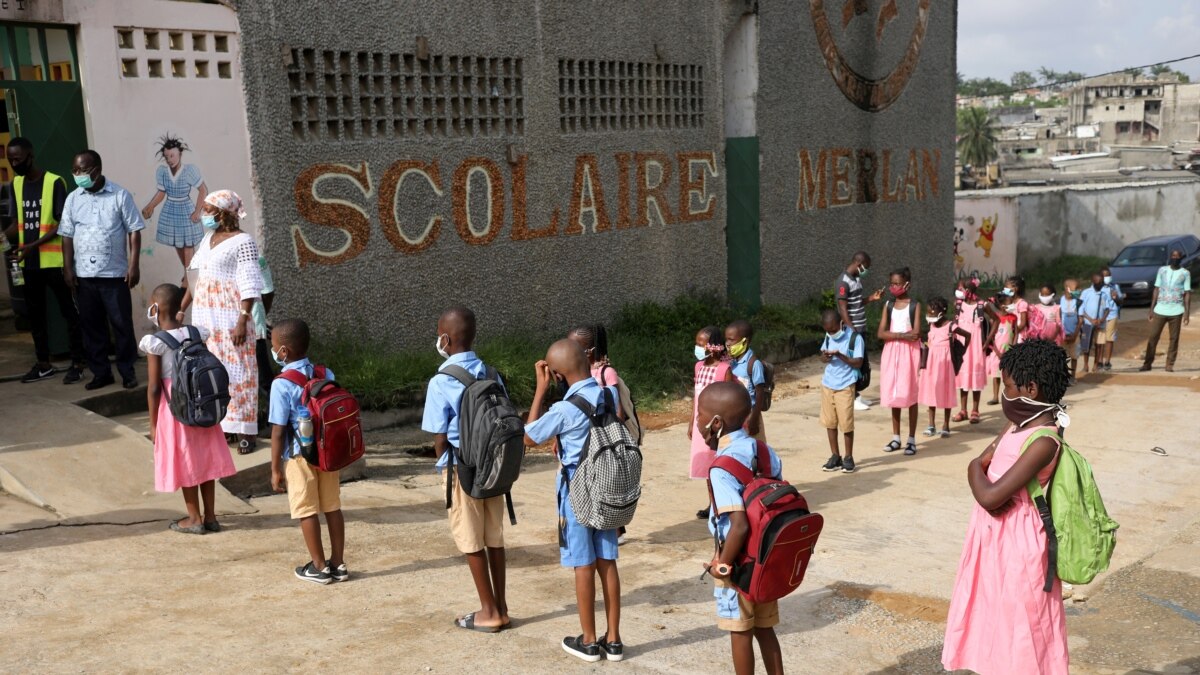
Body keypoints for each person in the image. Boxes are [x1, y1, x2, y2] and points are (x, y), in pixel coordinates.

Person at [942, 339, 1071, 675]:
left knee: (1022, 631)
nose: (1004, 394)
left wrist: (972, 468)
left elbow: (988, 493)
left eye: (1009, 387)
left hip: (1020, 546)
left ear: (1030, 388)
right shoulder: (1017, 425)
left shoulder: (1044, 440)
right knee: (994, 622)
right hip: (993, 541)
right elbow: (989, 473)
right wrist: (981, 472)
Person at [524, 339, 623, 662]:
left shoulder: (565, 409)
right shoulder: (608, 394)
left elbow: (530, 435)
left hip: (577, 492)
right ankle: (615, 639)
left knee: (584, 564)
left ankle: (590, 641)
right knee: (607, 560)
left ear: (556, 374)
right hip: (608, 487)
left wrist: (540, 391)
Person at [422, 306, 510, 633]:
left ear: (445, 339)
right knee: (494, 537)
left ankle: (489, 612)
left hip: (464, 470)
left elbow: (439, 437)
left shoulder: (441, 381)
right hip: (495, 468)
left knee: (471, 539)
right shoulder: (490, 372)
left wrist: (446, 468)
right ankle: (501, 604)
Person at [699, 381, 785, 675]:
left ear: (716, 423)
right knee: (765, 630)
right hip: (766, 556)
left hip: (738, 563)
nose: (697, 422)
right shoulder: (764, 450)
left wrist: (721, 564)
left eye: (700, 415)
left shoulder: (721, 467)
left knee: (740, 632)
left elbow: (738, 524)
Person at [139, 283, 235, 534]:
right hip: (201, 401)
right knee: (204, 459)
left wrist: (152, 424)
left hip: (175, 406)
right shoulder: (196, 333)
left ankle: (194, 518)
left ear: (155, 308)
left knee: (186, 461)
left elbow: (153, 387)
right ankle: (211, 516)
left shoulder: (155, 342)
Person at [179, 190, 263, 453]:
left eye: (208, 209)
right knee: (214, 372)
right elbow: (195, 279)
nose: (203, 214)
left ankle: (246, 430)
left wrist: (243, 320)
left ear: (223, 213)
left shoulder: (243, 241)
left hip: (231, 318)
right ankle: (225, 424)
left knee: (241, 372)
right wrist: (181, 310)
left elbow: (250, 283)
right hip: (206, 320)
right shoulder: (207, 239)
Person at [268, 319, 347, 585]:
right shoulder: (325, 373)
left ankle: (319, 566)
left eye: (274, 346)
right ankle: (339, 563)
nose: (273, 350)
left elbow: (278, 431)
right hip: (328, 454)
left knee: (306, 510)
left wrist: (275, 469)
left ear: (284, 352)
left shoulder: (281, 384)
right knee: (332, 507)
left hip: (299, 455)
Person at [58, 149, 146, 391]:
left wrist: (133, 264)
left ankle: (127, 372)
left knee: (121, 325)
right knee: (92, 327)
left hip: (115, 275)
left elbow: (134, 230)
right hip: (84, 277)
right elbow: (66, 235)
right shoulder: (73, 198)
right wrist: (68, 267)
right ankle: (101, 373)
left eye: (82, 170)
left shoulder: (119, 195)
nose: (77, 175)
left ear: (96, 170)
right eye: (74, 170)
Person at [1, 137, 85, 384]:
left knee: (69, 313)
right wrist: (3, 239)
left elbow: (61, 224)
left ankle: (78, 362)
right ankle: (43, 363)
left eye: (17, 158)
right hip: (28, 264)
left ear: (30, 156)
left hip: (54, 262)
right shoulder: (16, 184)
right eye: (10, 159)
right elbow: (19, 223)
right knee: (35, 316)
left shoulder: (53, 182)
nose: (14, 163)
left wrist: (32, 246)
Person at [140, 134, 208, 276]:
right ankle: (189, 274)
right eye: (167, 157)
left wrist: (197, 211)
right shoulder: (162, 172)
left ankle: (189, 278)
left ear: (180, 154)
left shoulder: (189, 170)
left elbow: (203, 190)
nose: (170, 160)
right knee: (178, 244)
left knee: (188, 245)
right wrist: (150, 206)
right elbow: (161, 192)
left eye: (172, 156)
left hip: (186, 209)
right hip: (170, 211)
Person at [877, 268, 922, 456]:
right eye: (892, 283)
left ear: (907, 284)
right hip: (891, 353)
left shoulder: (915, 305)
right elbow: (880, 333)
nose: (893, 287)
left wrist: (894, 336)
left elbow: (916, 334)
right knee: (894, 393)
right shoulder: (888, 305)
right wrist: (902, 335)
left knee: (910, 394)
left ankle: (911, 439)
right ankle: (896, 437)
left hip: (909, 354)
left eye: (897, 283)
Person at [690, 325, 733, 519]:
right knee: (707, 467)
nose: (698, 348)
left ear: (713, 346)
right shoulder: (699, 367)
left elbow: (730, 399)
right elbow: (696, 396)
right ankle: (712, 503)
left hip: (717, 426)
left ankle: (721, 504)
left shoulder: (724, 369)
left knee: (719, 464)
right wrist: (692, 422)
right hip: (701, 424)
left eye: (701, 344)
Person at [836, 251, 884, 410]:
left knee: (862, 363)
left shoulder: (855, 279)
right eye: (866, 267)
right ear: (859, 264)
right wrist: (852, 330)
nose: (866, 270)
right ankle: (852, 397)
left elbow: (856, 303)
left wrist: (871, 298)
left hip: (860, 327)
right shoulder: (843, 282)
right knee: (854, 364)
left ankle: (857, 394)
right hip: (853, 330)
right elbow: (843, 309)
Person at [819, 309, 863, 473]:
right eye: (828, 330)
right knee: (830, 422)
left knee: (846, 423)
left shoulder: (854, 338)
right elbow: (822, 356)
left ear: (841, 324)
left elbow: (858, 362)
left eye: (833, 330)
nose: (831, 333)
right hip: (828, 384)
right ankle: (835, 455)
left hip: (845, 385)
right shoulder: (828, 336)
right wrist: (826, 357)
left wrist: (840, 355)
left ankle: (848, 456)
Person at [920, 297, 971, 438]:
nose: (929, 316)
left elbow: (967, 335)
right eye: (928, 313)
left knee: (946, 392)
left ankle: (946, 425)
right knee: (932, 392)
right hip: (931, 364)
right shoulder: (932, 325)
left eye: (932, 313)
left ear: (941, 312)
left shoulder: (950, 326)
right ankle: (931, 425)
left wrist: (962, 350)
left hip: (945, 365)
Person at [1140, 249, 1192, 373]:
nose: (1175, 258)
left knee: (1174, 339)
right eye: (1173, 256)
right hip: (1160, 309)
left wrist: (1187, 313)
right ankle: (1147, 363)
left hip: (1177, 311)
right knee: (1153, 337)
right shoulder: (1162, 270)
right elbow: (1156, 289)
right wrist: (1151, 309)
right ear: (1170, 257)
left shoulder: (1185, 273)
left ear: (1181, 258)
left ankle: (1169, 364)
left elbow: (1187, 294)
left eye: (1177, 256)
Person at [725, 320, 767, 441]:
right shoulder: (731, 362)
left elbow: (760, 393)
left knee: (755, 450)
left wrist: (754, 419)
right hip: (734, 416)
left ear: (745, 341)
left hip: (750, 415)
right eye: (726, 339)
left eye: (731, 340)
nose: (727, 343)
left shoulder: (754, 364)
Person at [953, 278, 987, 425]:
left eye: (961, 289)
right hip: (962, 345)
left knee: (975, 378)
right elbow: (955, 323)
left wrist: (987, 341)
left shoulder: (981, 305)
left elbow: (996, 320)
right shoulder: (958, 305)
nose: (958, 292)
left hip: (976, 346)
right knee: (963, 378)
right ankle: (963, 410)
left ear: (969, 291)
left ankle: (975, 410)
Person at [1078, 272, 1116, 375]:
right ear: (1093, 282)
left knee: (1099, 345)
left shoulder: (1104, 294)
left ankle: (1096, 364)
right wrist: (1090, 319)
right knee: (1086, 345)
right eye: (1099, 282)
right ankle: (1085, 365)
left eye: (1102, 282)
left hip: (1100, 323)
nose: (1101, 284)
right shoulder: (1086, 293)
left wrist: (1102, 319)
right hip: (1088, 323)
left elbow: (1108, 309)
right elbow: (1081, 309)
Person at [985, 294, 1018, 405]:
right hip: (997, 353)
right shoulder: (993, 320)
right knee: (996, 375)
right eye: (1010, 303)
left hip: (1009, 351)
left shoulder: (1013, 318)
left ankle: (1010, 395)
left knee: (1009, 374)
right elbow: (991, 337)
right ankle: (995, 397)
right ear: (1003, 306)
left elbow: (1016, 333)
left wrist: (1013, 348)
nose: (1013, 305)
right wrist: (997, 352)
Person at [1097, 266, 1124, 371]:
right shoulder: (1097, 287)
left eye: (1108, 275)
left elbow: (1120, 302)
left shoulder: (1115, 287)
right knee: (1100, 339)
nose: (1107, 277)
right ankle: (1099, 361)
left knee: (1110, 339)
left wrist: (1116, 297)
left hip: (1112, 315)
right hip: (1100, 316)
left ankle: (1107, 361)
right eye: (1104, 276)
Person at [1060, 279, 1082, 383]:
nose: (1079, 290)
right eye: (1076, 288)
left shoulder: (1078, 302)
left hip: (1075, 334)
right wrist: (1063, 334)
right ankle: (1064, 376)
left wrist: (1074, 335)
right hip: (1062, 335)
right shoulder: (1059, 301)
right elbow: (1058, 319)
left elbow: (1080, 321)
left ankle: (1073, 377)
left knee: (1074, 356)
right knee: (1062, 357)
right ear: (1067, 288)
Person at [1003, 275, 1029, 341]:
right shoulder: (1008, 302)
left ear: (1015, 289)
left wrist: (1014, 332)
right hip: (1009, 333)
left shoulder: (1022, 303)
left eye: (1006, 287)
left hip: (1019, 336)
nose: (1004, 289)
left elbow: (1023, 323)